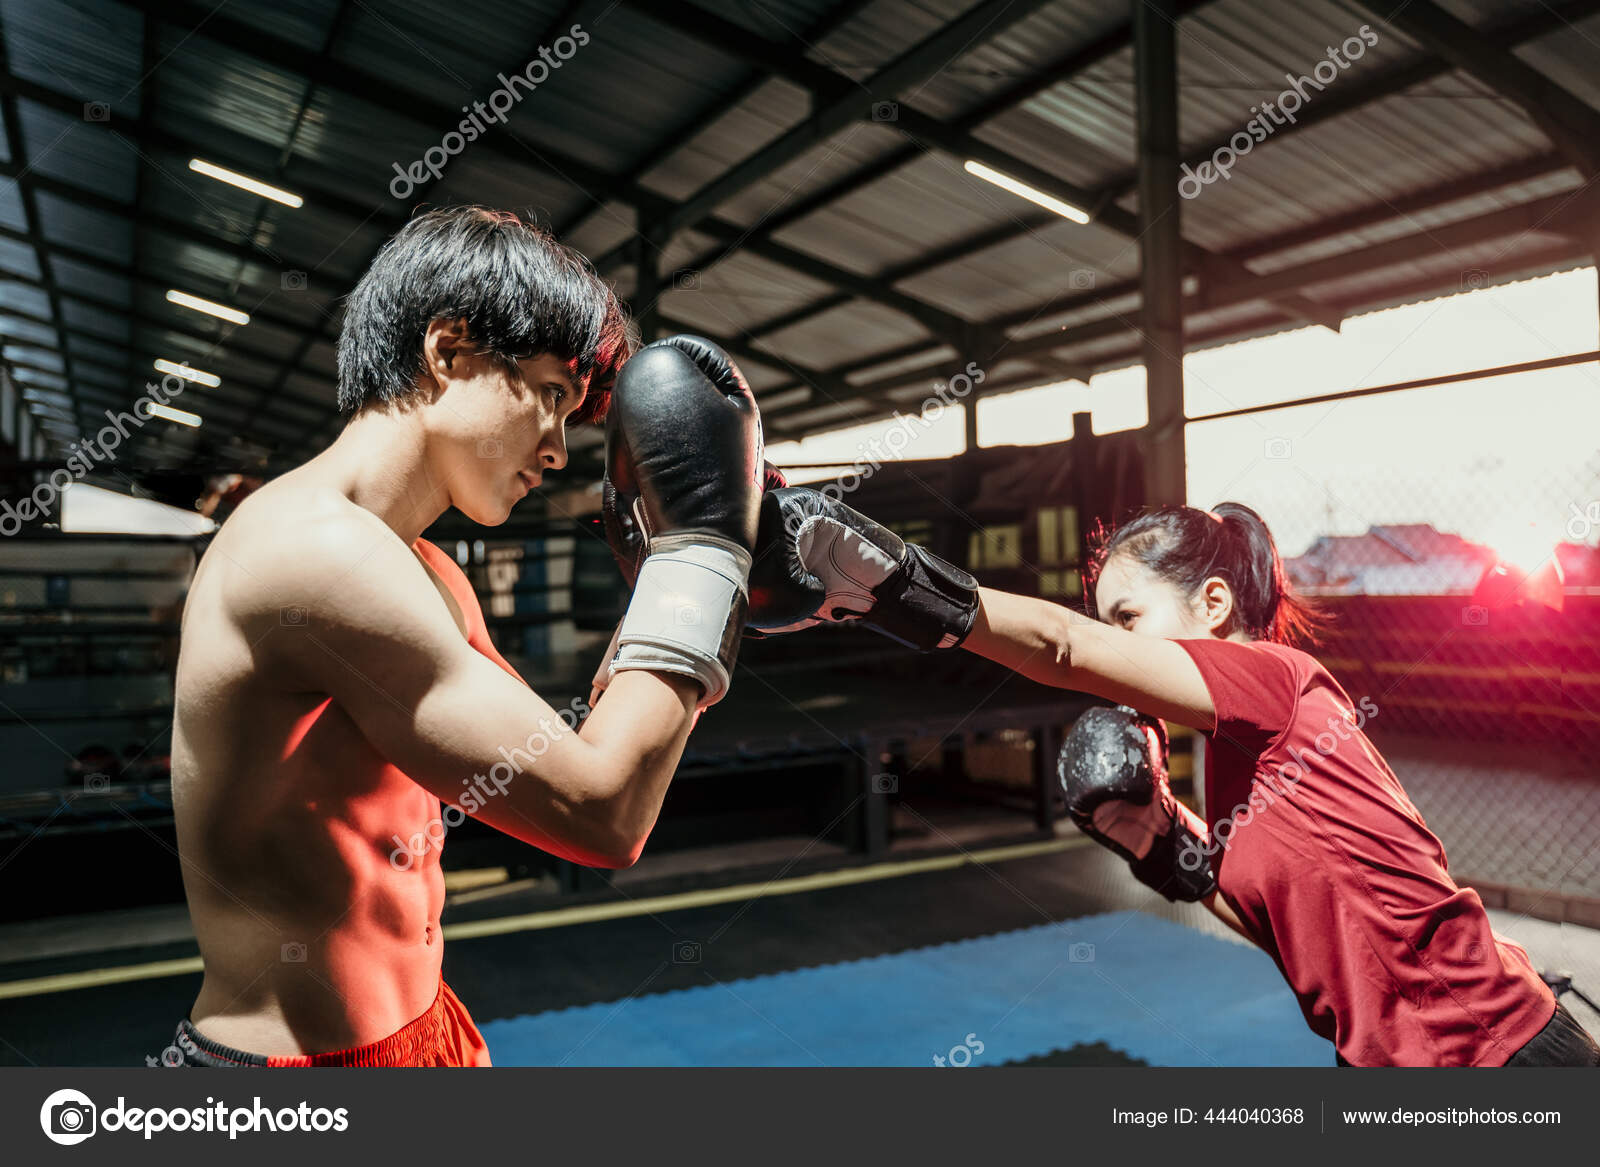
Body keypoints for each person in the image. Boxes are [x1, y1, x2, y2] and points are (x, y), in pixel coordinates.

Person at [168, 206, 764, 1066]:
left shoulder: (427, 573)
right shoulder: (310, 550)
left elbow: (575, 752)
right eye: (553, 397)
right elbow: (601, 813)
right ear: (448, 352)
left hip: (427, 1028)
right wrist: (703, 559)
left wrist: (695, 581)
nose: (558, 449)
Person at [748, 488, 1600, 1066]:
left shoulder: (1275, 681)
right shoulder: (1233, 759)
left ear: (1215, 606)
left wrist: (894, 584)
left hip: (1495, 1056)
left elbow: (1062, 647)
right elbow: (1298, 939)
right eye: (1109, 624)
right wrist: (1165, 848)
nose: (1114, 641)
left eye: (1129, 618)